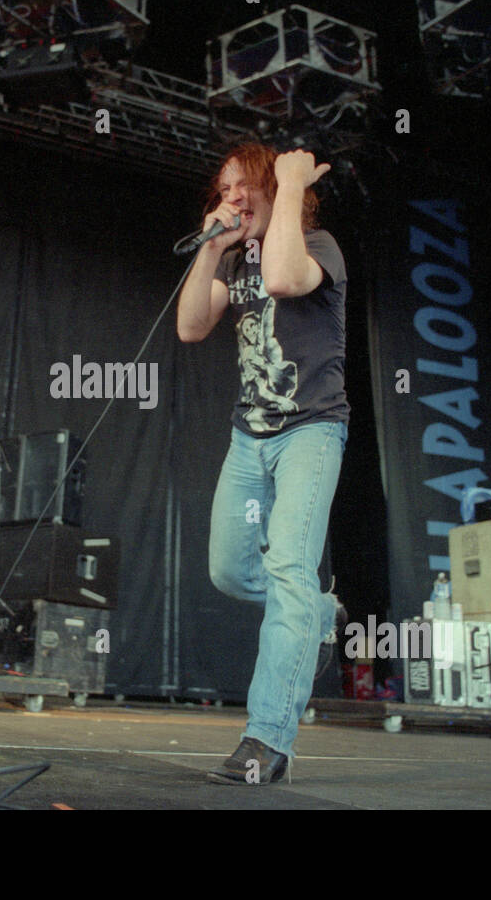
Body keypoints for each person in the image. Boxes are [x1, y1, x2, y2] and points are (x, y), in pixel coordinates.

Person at [177, 143, 348, 785]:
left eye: (247, 185)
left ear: (278, 190)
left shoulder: (319, 246)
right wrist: (213, 247)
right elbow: (192, 327)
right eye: (225, 188)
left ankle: (266, 740)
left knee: (288, 569)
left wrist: (293, 182)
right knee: (229, 569)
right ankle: (319, 612)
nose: (233, 197)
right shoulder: (233, 257)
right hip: (249, 437)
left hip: (312, 431)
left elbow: (281, 278)